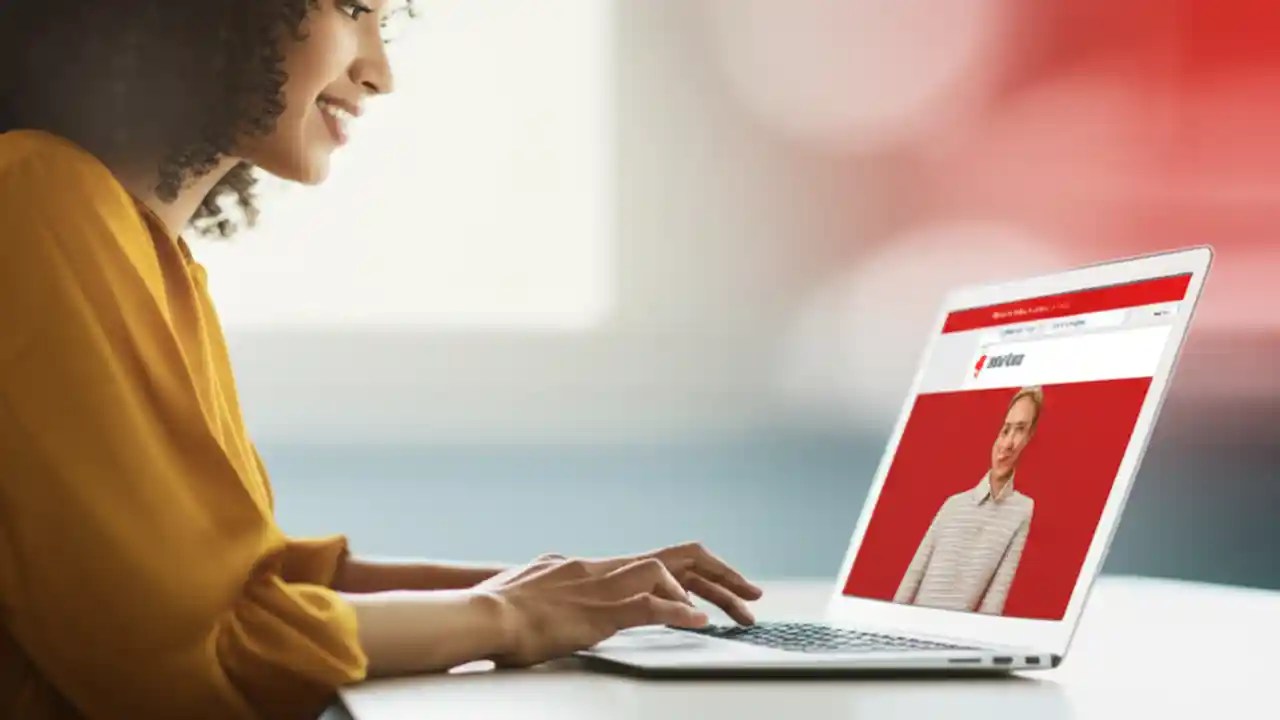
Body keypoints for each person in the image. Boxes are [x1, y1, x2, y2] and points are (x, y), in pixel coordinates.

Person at [0, 2, 762, 718]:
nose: (379, 72)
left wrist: (582, 594)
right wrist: (510, 615)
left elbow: (241, 581)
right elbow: (180, 651)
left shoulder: (142, 248)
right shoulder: (37, 194)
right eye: (352, 8)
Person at [893, 386, 1042, 615]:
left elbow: (995, 599)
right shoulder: (953, 505)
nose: (1007, 444)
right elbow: (911, 580)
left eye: (1020, 430)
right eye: (1005, 430)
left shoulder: (1022, 509)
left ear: (1030, 438)